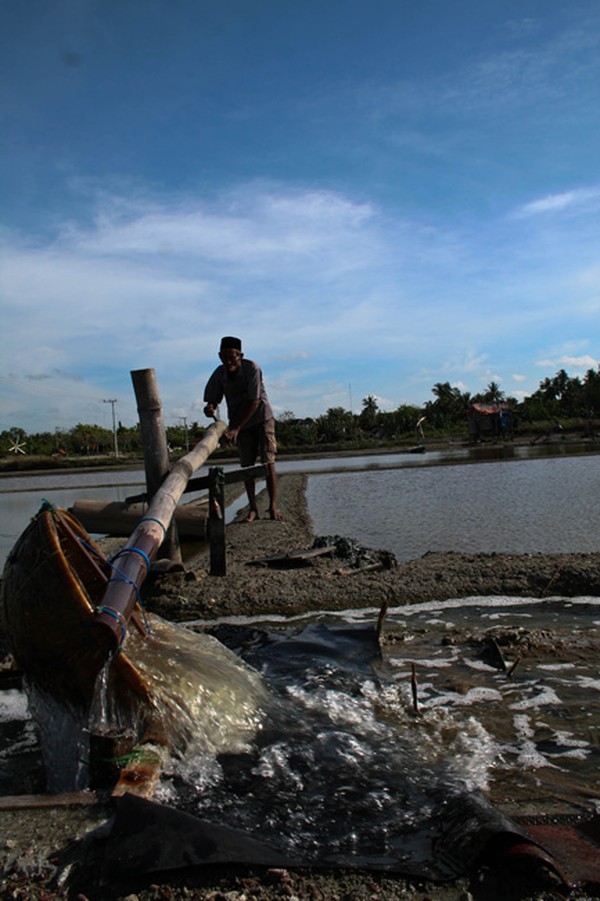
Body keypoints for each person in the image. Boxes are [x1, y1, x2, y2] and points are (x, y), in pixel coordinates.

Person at [203, 336, 283, 522]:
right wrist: (211, 407)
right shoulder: (220, 373)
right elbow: (212, 398)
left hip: (261, 418)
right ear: (219, 356)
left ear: (240, 356)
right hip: (239, 422)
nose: (228, 361)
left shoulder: (252, 368)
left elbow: (254, 402)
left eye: (232, 357)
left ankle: (272, 506)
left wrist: (237, 428)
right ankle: (253, 509)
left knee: (267, 460)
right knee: (247, 465)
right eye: (224, 357)